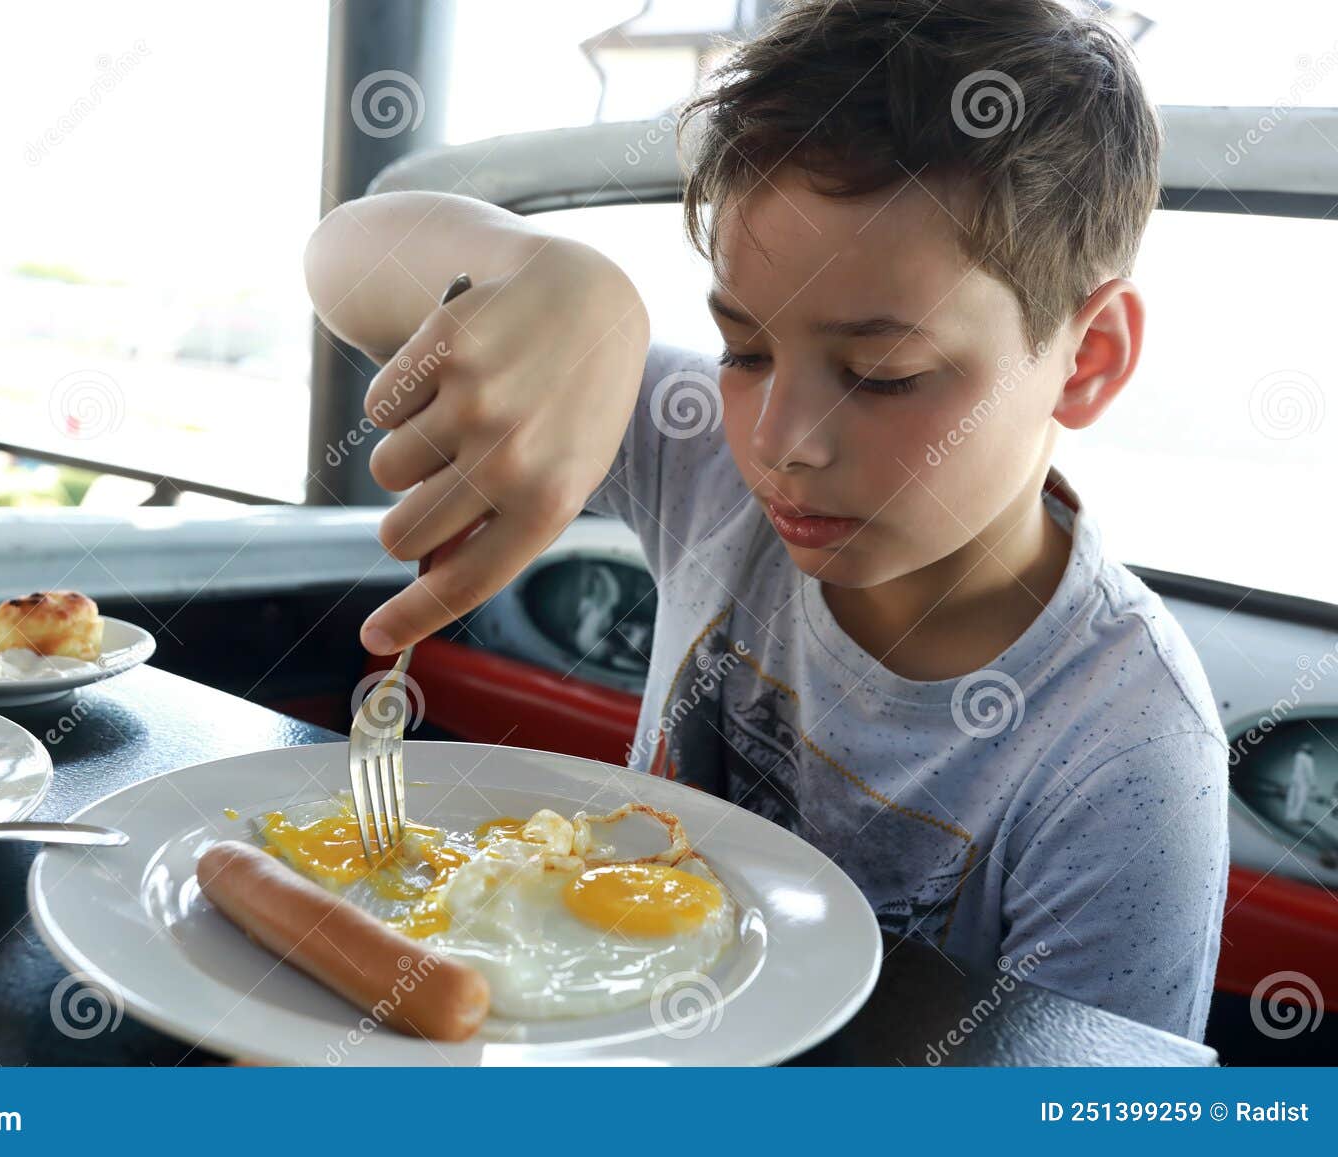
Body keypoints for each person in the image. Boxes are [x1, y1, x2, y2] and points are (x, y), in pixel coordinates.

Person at [304, 0, 1229, 1041]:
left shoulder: (1124, 750)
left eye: (884, 375)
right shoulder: (710, 458)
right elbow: (347, 254)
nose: (783, 438)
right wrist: (557, 284)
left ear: (1088, 356)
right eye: (743, 349)